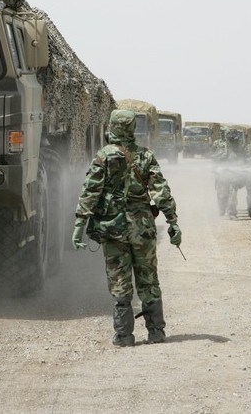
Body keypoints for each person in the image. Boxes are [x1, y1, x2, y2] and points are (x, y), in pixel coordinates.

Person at [72, 109, 181, 347]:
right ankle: (156, 332)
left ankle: (123, 336)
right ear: (132, 129)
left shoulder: (104, 156)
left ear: (112, 126)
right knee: (148, 278)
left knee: (119, 281)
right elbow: (161, 192)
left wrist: (79, 225)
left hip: (113, 227)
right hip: (142, 227)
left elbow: (90, 192)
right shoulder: (145, 156)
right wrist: (173, 222)